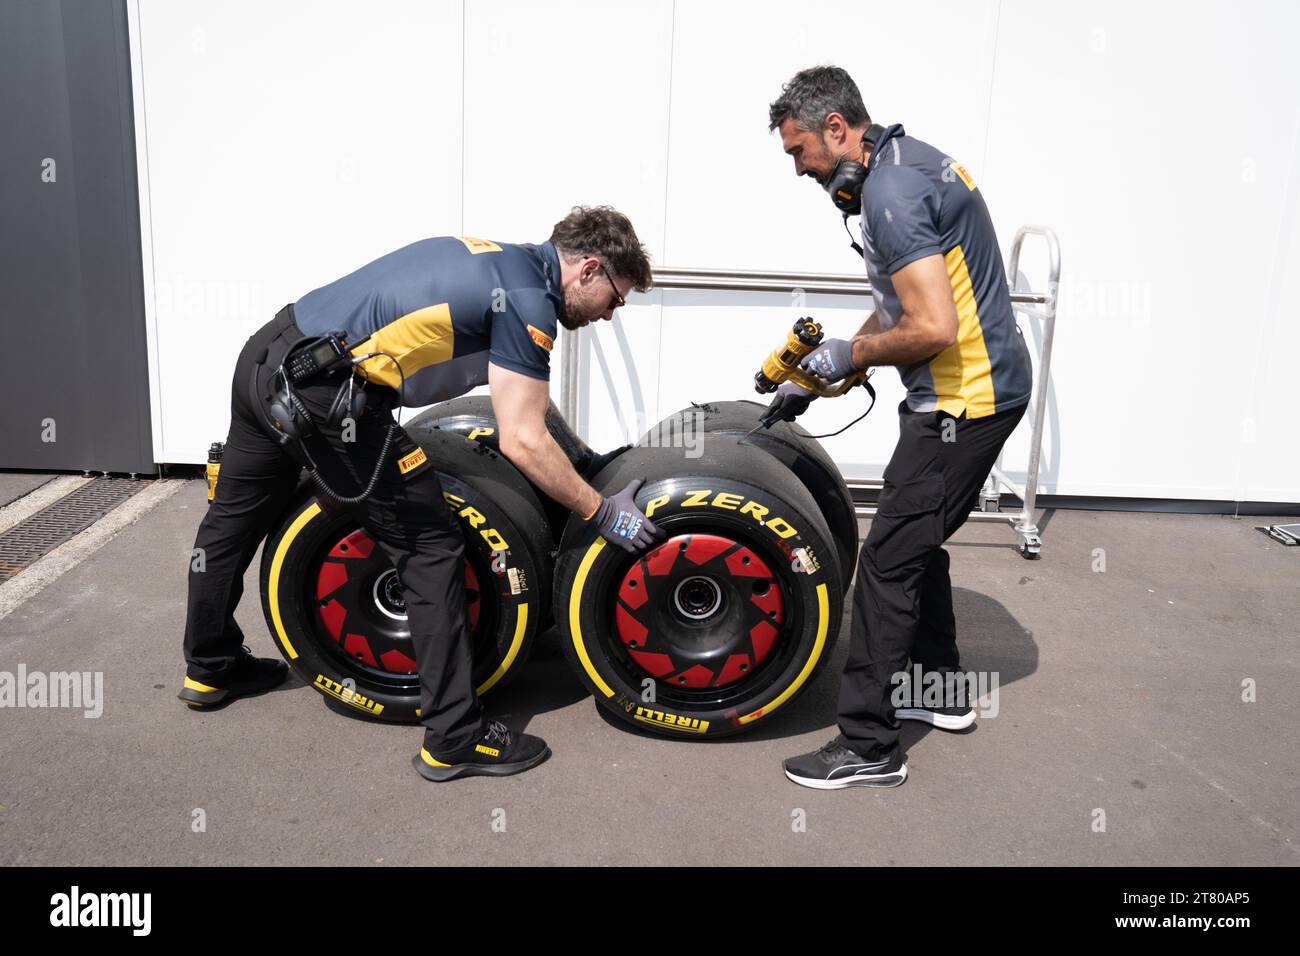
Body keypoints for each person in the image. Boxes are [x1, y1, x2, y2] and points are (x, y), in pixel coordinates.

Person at [179, 205, 661, 782]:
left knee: (232, 522)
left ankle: (210, 667)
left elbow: (524, 400)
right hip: (327, 395)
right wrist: (604, 513)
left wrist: (584, 463)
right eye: (617, 297)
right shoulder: (529, 302)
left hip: (269, 354)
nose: (612, 314)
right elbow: (522, 440)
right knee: (431, 542)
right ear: (587, 270)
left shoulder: (506, 266)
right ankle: (455, 736)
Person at [764, 67, 1033, 789]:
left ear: (837, 129)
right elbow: (901, 305)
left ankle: (868, 745)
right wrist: (821, 378)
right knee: (915, 542)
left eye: (800, 152)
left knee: (885, 568)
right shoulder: (904, 166)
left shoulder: (890, 192)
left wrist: (850, 354)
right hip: (974, 391)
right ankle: (940, 694)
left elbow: (933, 326)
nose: (799, 169)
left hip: (962, 402)